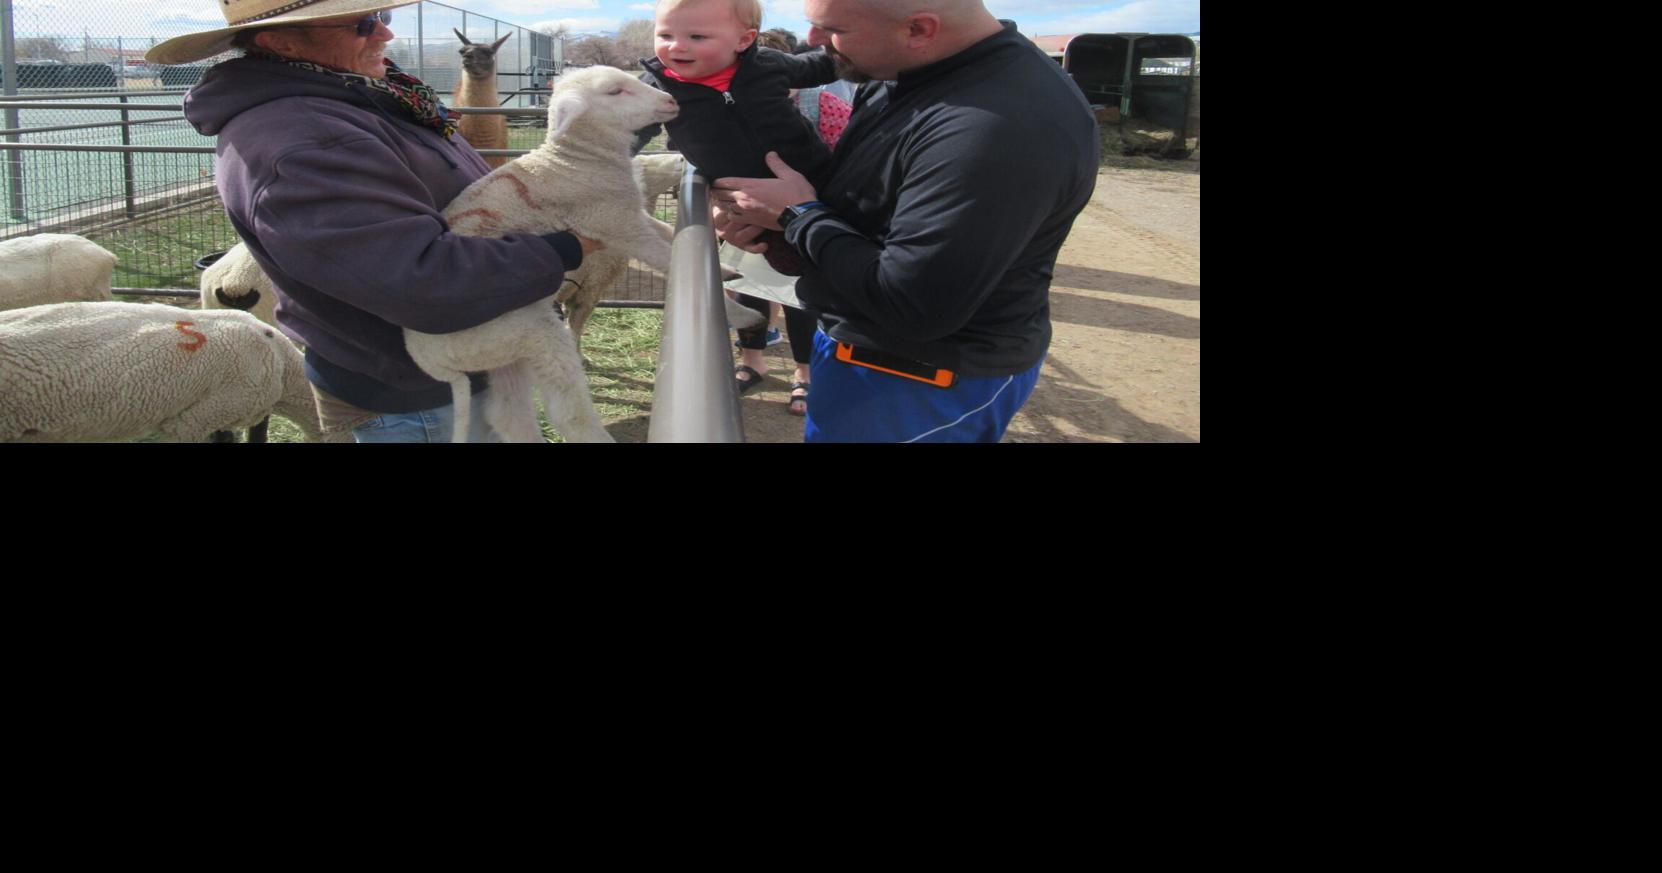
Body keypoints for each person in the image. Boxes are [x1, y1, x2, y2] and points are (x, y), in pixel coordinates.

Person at [149, 0, 598, 442]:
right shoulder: (309, 140)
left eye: (382, 16)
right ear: (280, 42)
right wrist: (565, 247)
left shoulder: (367, 98)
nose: (385, 33)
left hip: (449, 371)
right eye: (362, 24)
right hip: (419, 396)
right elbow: (420, 283)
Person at [709, 0, 1099, 443]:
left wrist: (798, 215)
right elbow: (868, 202)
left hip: (918, 379)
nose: (813, 42)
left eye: (833, 29)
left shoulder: (997, 126)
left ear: (918, 29)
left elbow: (915, 304)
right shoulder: (902, 74)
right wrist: (769, 214)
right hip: (863, 349)